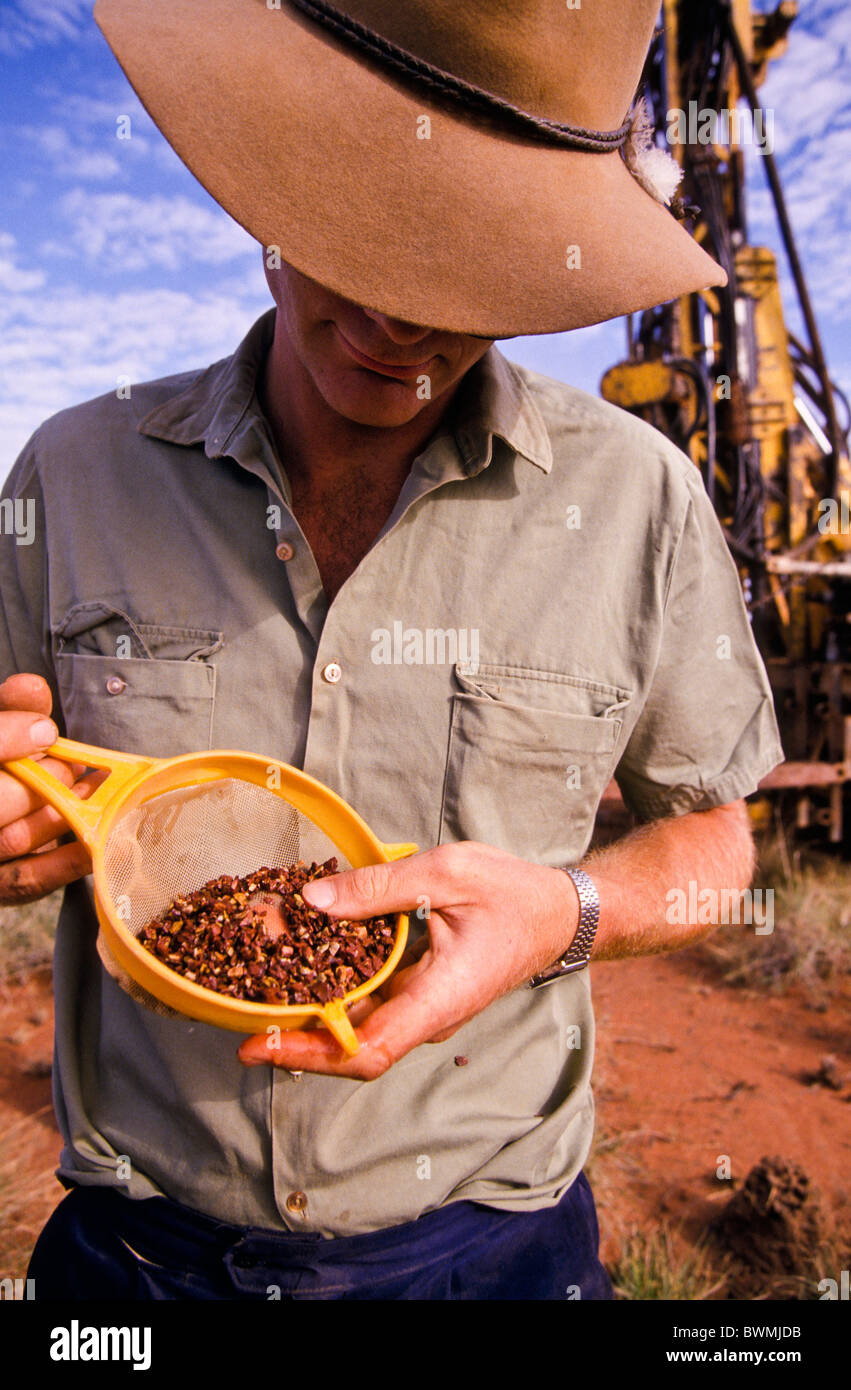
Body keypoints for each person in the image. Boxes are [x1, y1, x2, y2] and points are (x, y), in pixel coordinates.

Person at [0, 0, 784, 1299]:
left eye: (467, 274)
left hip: (494, 1252)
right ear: (268, 190)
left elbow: (719, 842)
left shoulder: (638, 500)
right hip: (139, 1257)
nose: (398, 324)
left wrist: (567, 915)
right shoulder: (72, 477)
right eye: (357, 239)